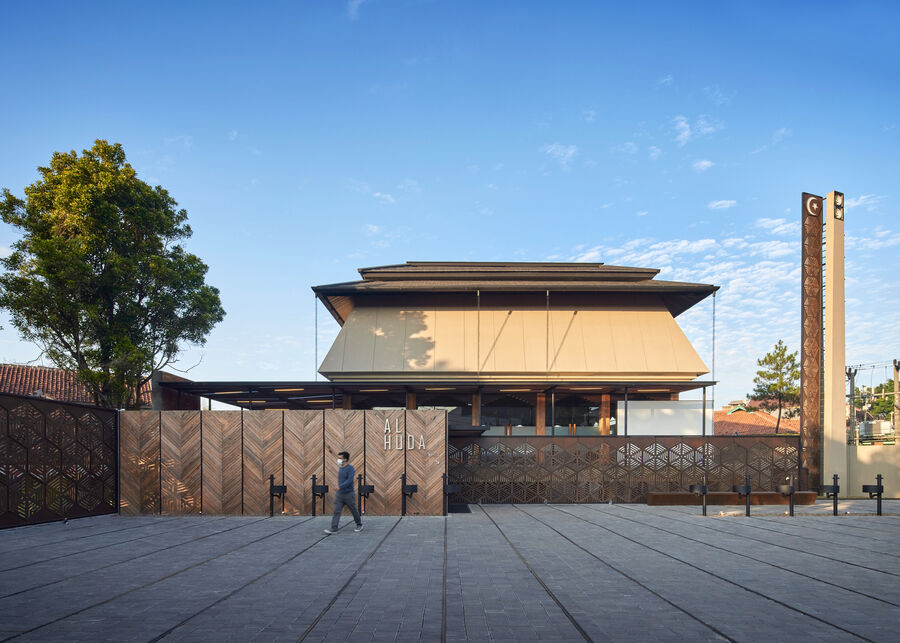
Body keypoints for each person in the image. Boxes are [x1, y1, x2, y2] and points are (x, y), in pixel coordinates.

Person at [324, 451, 363, 534]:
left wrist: (340, 486)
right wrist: (339, 488)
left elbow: (349, 480)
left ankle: (359, 524)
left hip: (349, 494)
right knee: (336, 511)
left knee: (353, 510)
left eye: (340, 458)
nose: (338, 459)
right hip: (340, 494)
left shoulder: (350, 468)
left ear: (345, 459)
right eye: (338, 458)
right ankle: (334, 528)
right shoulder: (341, 468)